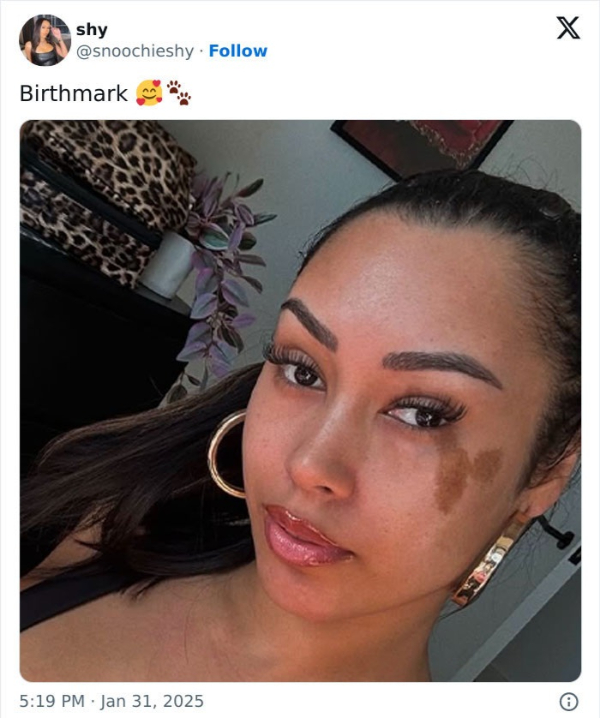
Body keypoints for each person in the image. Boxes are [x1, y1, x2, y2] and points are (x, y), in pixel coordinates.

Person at [20, 170, 581, 681]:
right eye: (303, 370)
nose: (310, 464)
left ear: (548, 470)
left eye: (422, 414)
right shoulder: (116, 528)